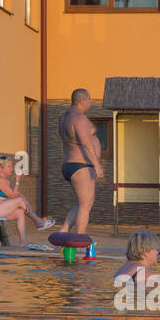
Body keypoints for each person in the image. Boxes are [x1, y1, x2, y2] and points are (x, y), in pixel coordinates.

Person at [0, 154, 55, 246]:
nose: (11, 168)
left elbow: (18, 194)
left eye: (11, 166)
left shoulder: (4, 180)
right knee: (19, 201)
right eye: (8, 166)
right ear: (1, 168)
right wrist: (17, 180)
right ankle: (38, 222)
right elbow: (13, 196)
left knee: (20, 212)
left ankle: (23, 241)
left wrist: (27, 204)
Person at [58, 88, 104, 235]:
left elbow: (69, 140)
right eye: (90, 99)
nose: (91, 102)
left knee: (82, 203)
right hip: (81, 165)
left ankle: (64, 231)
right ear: (83, 101)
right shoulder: (79, 118)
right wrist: (97, 165)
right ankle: (80, 239)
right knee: (86, 205)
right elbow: (86, 142)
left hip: (69, 164)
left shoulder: (64, 118)